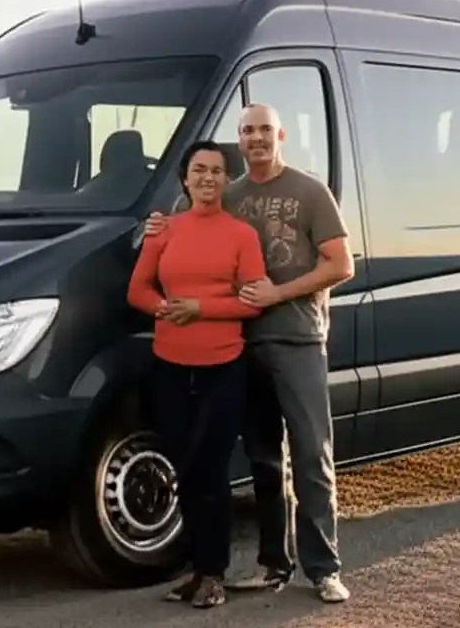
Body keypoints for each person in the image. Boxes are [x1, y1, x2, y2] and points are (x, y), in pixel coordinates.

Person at [142, 103, 355, 604]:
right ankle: (273, 565)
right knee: (263, 458)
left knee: (310, 455)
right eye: (246, 131)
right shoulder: (228, 194)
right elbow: (184, 230)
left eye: (264, 129)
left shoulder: (308, 190)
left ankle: (323, 568)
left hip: (297, 338)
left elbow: (341, 264)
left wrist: (279, 295)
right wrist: (158, 228)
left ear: (280, 134)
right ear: (239, 141)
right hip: (241, 344)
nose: (256, 138)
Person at [126, 139, 267, 609]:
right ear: (184, 178)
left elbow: (251, 300)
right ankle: (194, 569)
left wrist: (199, 308)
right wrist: (164, 308)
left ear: (227, 181)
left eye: (217, 171)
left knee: (209, 470)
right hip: (169, 367)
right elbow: (137, 290)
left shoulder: (241, 235)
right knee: (185, 470)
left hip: (223, 367)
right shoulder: (164, 230)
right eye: (199, 170)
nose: (208, 178)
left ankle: (214, 575)